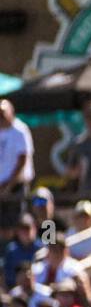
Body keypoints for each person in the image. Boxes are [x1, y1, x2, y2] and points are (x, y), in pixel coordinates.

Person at [0, 98, 34, 232]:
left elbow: (22, 161)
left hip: (16, 187)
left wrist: (8, 186)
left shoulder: (20, 130)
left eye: (3, 113)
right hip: (2, 187)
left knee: (18, 224)